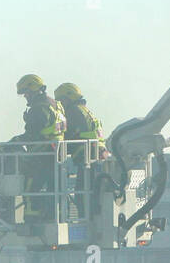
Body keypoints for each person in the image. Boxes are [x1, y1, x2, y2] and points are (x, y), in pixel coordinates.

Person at [9, 75, 66, 221]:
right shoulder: (55, 105)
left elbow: (33, 134)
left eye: (26, 93)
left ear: (33, 90)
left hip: (42, 155)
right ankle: (53, 217)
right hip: (58, 156)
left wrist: (14, 142)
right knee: (54, 191)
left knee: (30, 190)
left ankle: (31, 222)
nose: (26, 97)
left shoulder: (38, 109)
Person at [55, 83, 105, 218]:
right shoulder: (85, 110)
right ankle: (90, 216)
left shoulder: (73, 112)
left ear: (68, 98)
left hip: (85, 157)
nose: (60, 105)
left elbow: (69, 135)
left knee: (82, 195)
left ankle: (85, 217)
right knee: (88, 193)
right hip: (94, 155)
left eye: (61, 101)